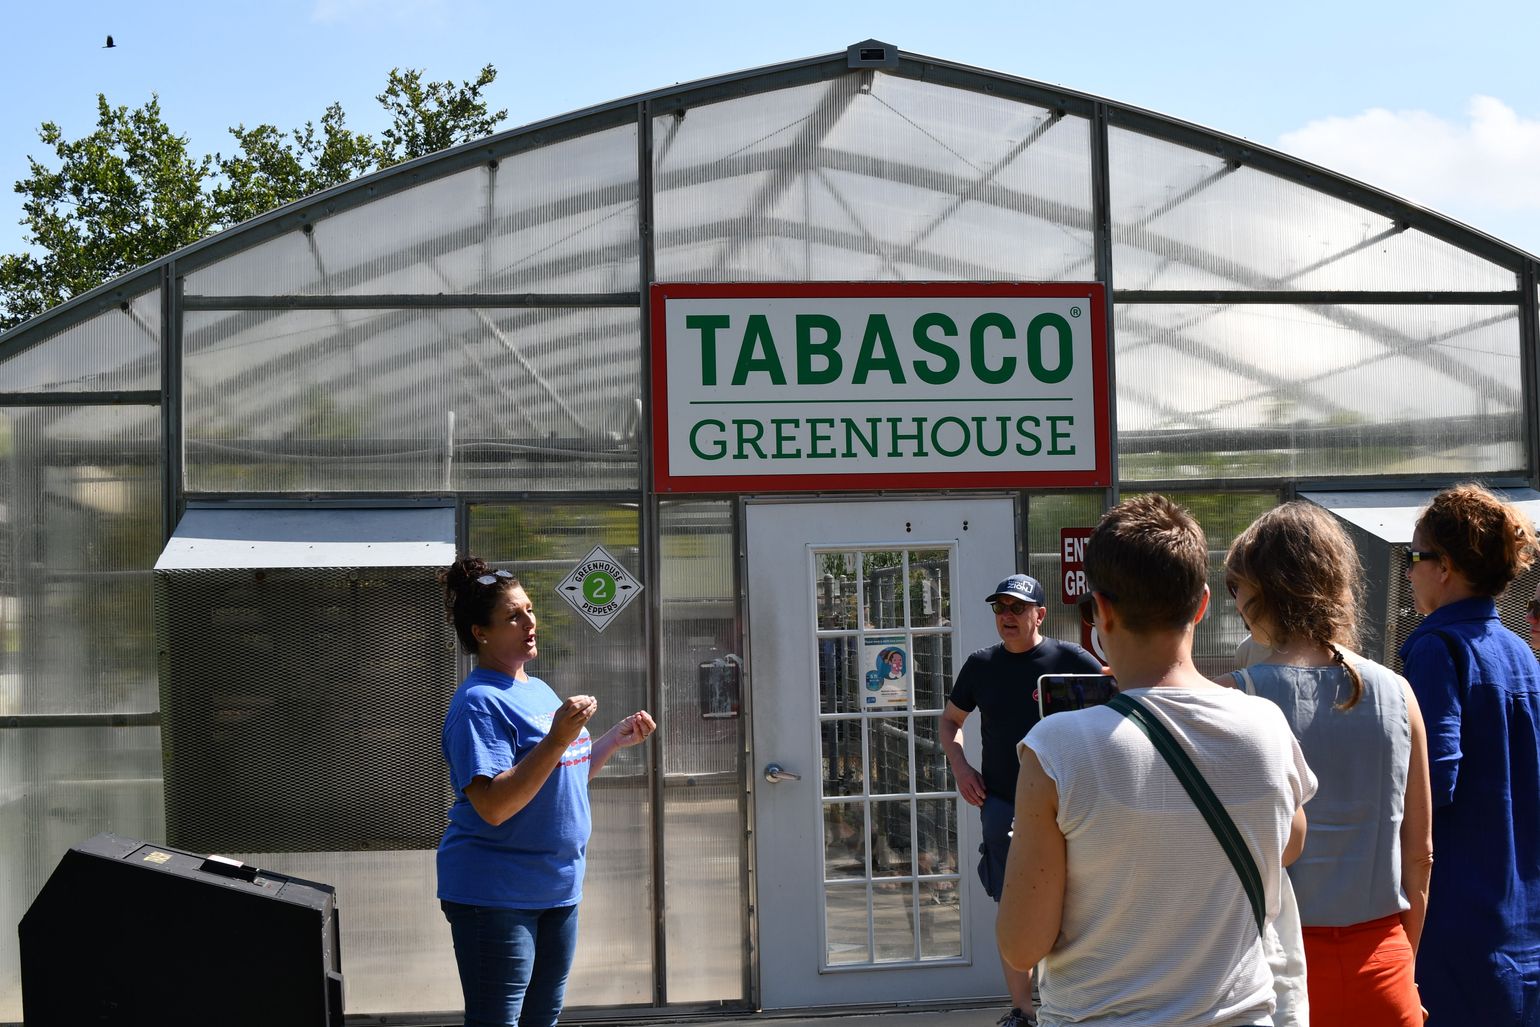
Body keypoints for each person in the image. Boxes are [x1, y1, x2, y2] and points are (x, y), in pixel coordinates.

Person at [998, 495, 1315, 1027]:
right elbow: (1290, 843)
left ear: (1102, 610)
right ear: (1202, 604)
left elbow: (1021, 945)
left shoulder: (1056, 748)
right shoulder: (1266, 726)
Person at [1224, 502, 1433, 1027]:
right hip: (1384, 965)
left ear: (1265, 589)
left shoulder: (1233, 697)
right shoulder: (1399, 693)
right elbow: (1421, 853)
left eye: (1236, 588)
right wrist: (1404, 966)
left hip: (1277, 972)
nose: (1237, 604)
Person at [436, 557, 656, 1027]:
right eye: (513, 616)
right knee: (499, 1020)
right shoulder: (478, 703)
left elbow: (560, 778)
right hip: (496, 894)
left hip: (557, 888)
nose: (529, 622)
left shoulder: (536, 690)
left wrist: (612, 741)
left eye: (530, 610)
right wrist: (558, 738)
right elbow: (495, 806)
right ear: (481, 633)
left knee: (543, 1017)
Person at [1399, 483, 1540, 1026]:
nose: (1407, 571)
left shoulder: (1438, 649)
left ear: (1446, 567)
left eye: (1414, 557)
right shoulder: (1522, 654)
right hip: (1522, 926)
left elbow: (1429, 783)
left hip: (1458, 930)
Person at [941, 573, 1101, 1027]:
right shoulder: (981, 665)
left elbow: (1116, 705)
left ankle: (1070, 1005)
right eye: (1000, 608)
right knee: (1013, 907)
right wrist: (961, 766)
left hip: (1067, 807)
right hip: (1003, 804)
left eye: (1017, 608)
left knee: (1074, 902)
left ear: (1040, 614)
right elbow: (950, 721)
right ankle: (1023, 1012)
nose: (1006, 616)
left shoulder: (1069, 660)